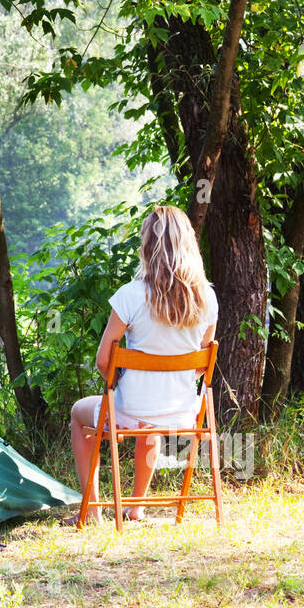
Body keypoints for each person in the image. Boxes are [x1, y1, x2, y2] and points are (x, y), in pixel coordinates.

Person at [71, 205, 218, 522]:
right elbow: (202, 365)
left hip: (131, 413)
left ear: (148, 246)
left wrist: (130, 382)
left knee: (79, 414)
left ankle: (93, 512)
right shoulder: (207, 298)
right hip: (183, 414)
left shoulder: (131, 295)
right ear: (189, 245)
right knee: (151, 418)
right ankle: (135, 507)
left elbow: (103, 361)